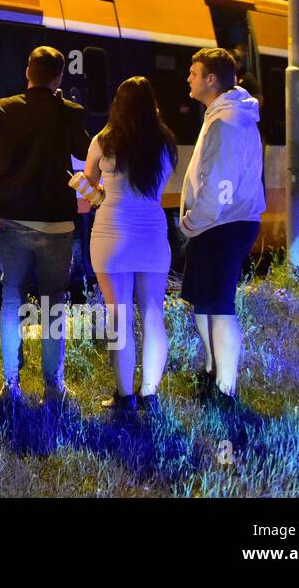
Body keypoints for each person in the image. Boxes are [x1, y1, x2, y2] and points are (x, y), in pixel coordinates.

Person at [0, 46, 91, 405]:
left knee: (11, 300)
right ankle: (54, 387)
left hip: (14, 221)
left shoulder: (3, 109)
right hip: (59, 226)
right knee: (53, 305)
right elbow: (83, 152)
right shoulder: (70, 112)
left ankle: (10, 385)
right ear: (59, 78)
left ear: (27, 73)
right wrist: (62, 107)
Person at [81, 77, 178, 417]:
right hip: (152, 234)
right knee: (153, 315)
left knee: (119, 317)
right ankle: (149, 395)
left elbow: (88, 188)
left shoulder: (103, 142)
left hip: (111, 235)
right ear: (152, 104)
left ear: (117, 105)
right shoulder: (166, 144)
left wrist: (94, 192)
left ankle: (124, 397)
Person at [178, 47, 266, 405]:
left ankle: (225, 390)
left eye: (193, 72)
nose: (188, 78)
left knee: (220, 305)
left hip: (221, 225)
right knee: (204, 302)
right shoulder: (224, 115)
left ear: (211, 79)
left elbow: (218, 185)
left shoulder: (227, 122)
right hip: (217, 224)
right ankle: (213, 372)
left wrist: (192, 221)